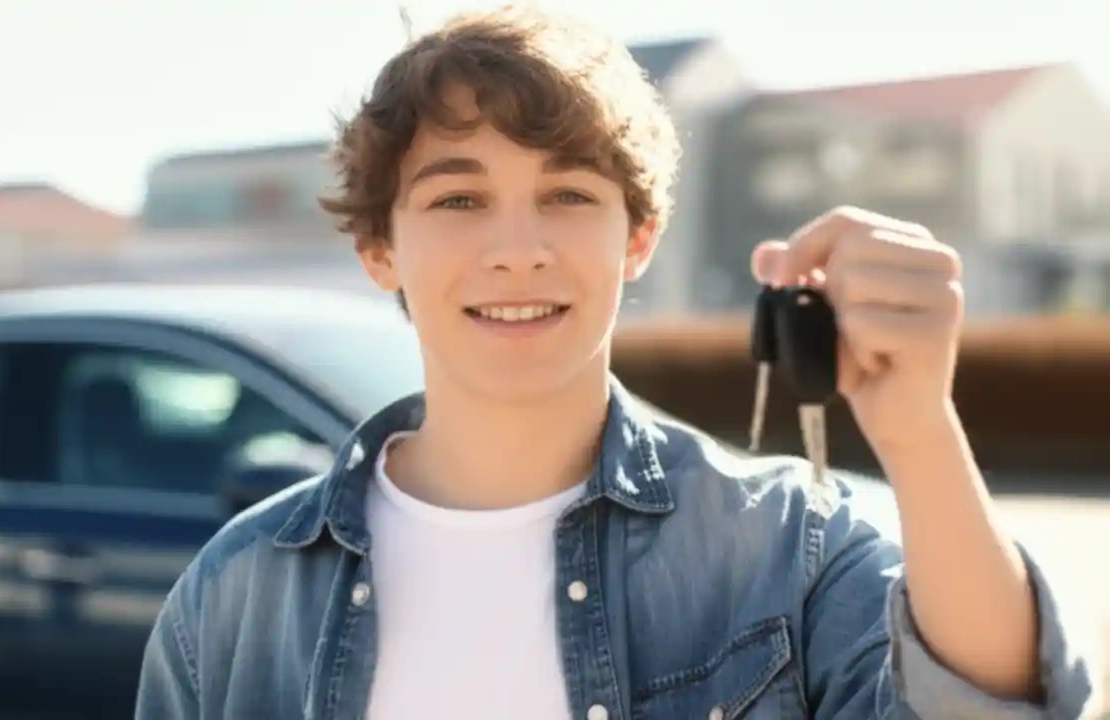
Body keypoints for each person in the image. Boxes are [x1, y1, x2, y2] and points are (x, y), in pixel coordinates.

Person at [135, 5, 1098, 718]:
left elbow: (997, 704)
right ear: (380, 249)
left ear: (637, 238)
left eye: (567, 196)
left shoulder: (787, 547)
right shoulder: (237, 593)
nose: (518, 248)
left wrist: (919, 428)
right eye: (458, 201)